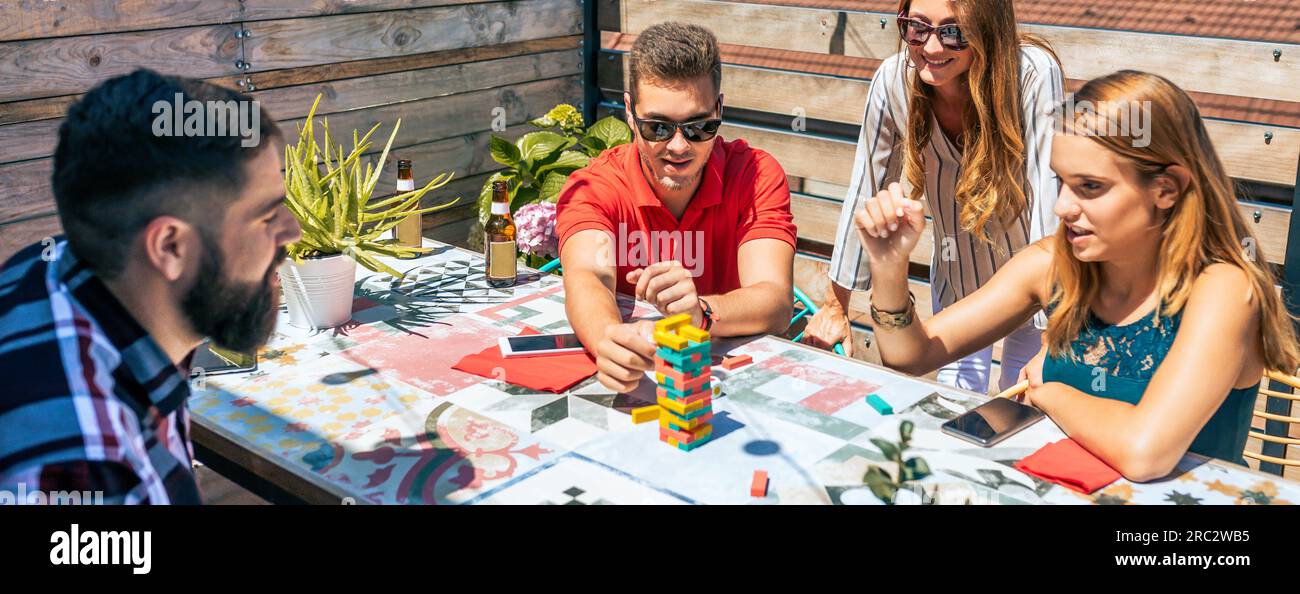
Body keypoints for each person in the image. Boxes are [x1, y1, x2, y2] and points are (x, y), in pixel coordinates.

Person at [855, 69, 1299, 479]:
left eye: (1090, 187)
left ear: (1165, 189)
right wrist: (889, 268)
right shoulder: (1054, 264)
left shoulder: (1223, 289)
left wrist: (1049, 392)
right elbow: (911, 356)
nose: (1063, 206)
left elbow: (1145, 452)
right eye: (1062, 182)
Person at [0, 70, 300, 503]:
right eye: (268, 216)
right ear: (171, 246)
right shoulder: (86, 468)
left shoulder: (61, 272)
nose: (292, 232)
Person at [802, 0, 1064, 394]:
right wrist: (836, 306)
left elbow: (1050, 198)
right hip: (957, 278)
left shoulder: (1031, 73)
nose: (933, 47)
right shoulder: (893, 80)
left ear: (986, 28)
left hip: (1034, 289)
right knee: (951, 399)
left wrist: (1056, 336)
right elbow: (865, 190)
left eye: (953, 31)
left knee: (1023, 399)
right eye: (918, 28)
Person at [556, 22, 797, 393]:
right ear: (629, 113)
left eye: (700, 126)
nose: (680, 147)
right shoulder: (596, 186)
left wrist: (701, 312)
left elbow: (775, 301)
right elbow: (588, 277)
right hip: (642, 382)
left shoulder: (754, 175)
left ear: (719, 108)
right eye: (658, 128)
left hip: (730, 385)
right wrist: (609, 339)